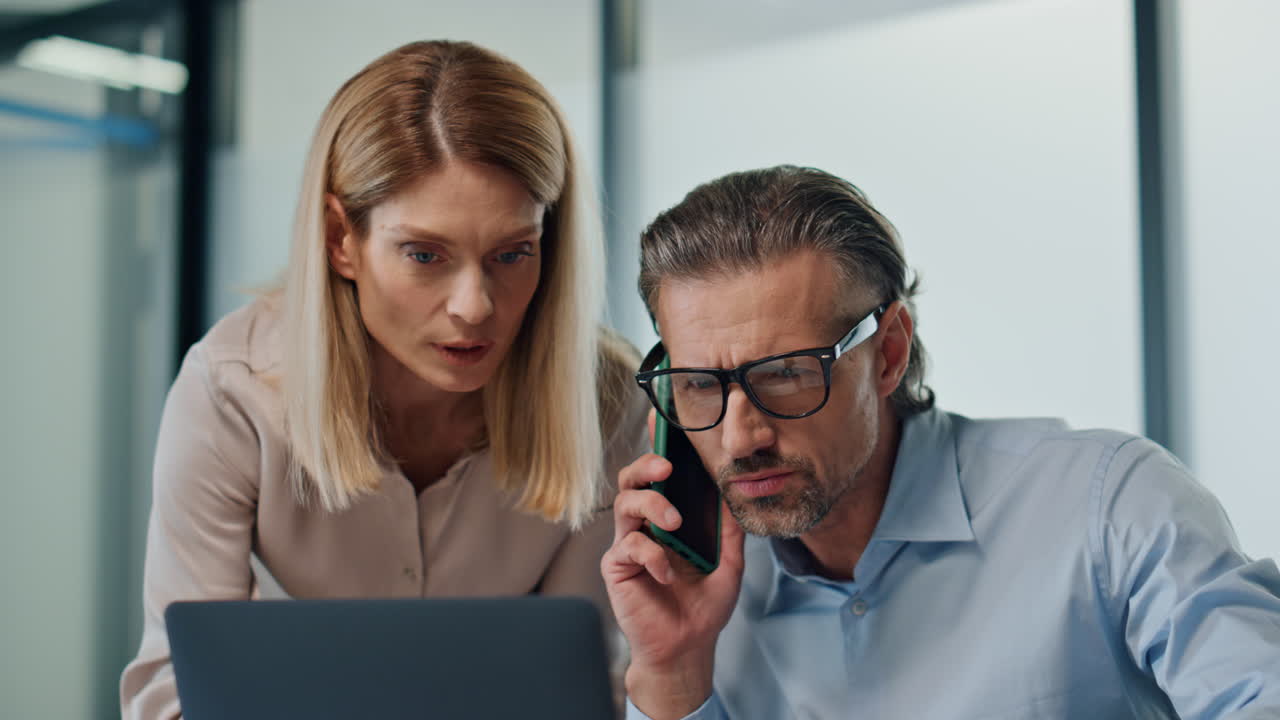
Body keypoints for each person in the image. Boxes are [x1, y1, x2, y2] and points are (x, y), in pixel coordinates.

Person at [602, 164, 1280, 719]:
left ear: (889, 352)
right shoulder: (696, 590)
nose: (739, 436)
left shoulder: (1109, 506)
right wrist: (673, 675)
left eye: (785, 375)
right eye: (696, 385)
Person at [121, 40, 648, 719]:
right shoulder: (232, 392)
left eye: (512, 253)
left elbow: (590, 691)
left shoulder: (607, 406)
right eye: (425, 254)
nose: (475, 306)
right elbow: (172, 692)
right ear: (342, 240)